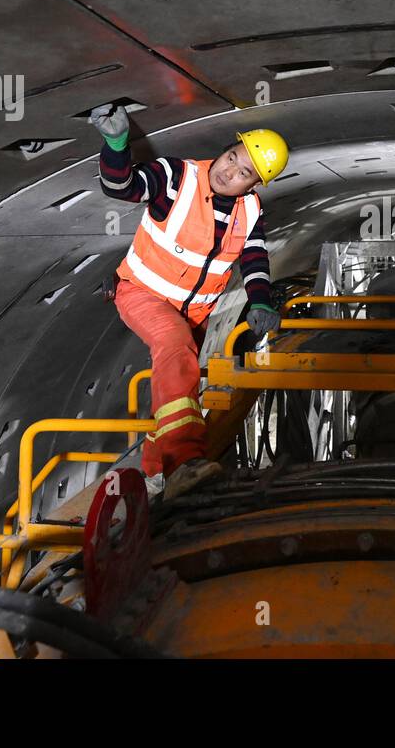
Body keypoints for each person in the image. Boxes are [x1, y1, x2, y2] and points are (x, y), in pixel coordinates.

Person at [90, 101, 289, 499]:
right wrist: (115, 144)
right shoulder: (177, 177)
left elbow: (254, 258)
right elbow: (123, 186)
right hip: (142, 293)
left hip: (194, 313)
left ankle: (154, 477)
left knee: (175, 386)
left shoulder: (250, 210)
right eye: (232, 157)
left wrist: (261, 301)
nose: (228, 171)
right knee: (173, 347)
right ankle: (185, 461)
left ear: (253, 185)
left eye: (243, 173)